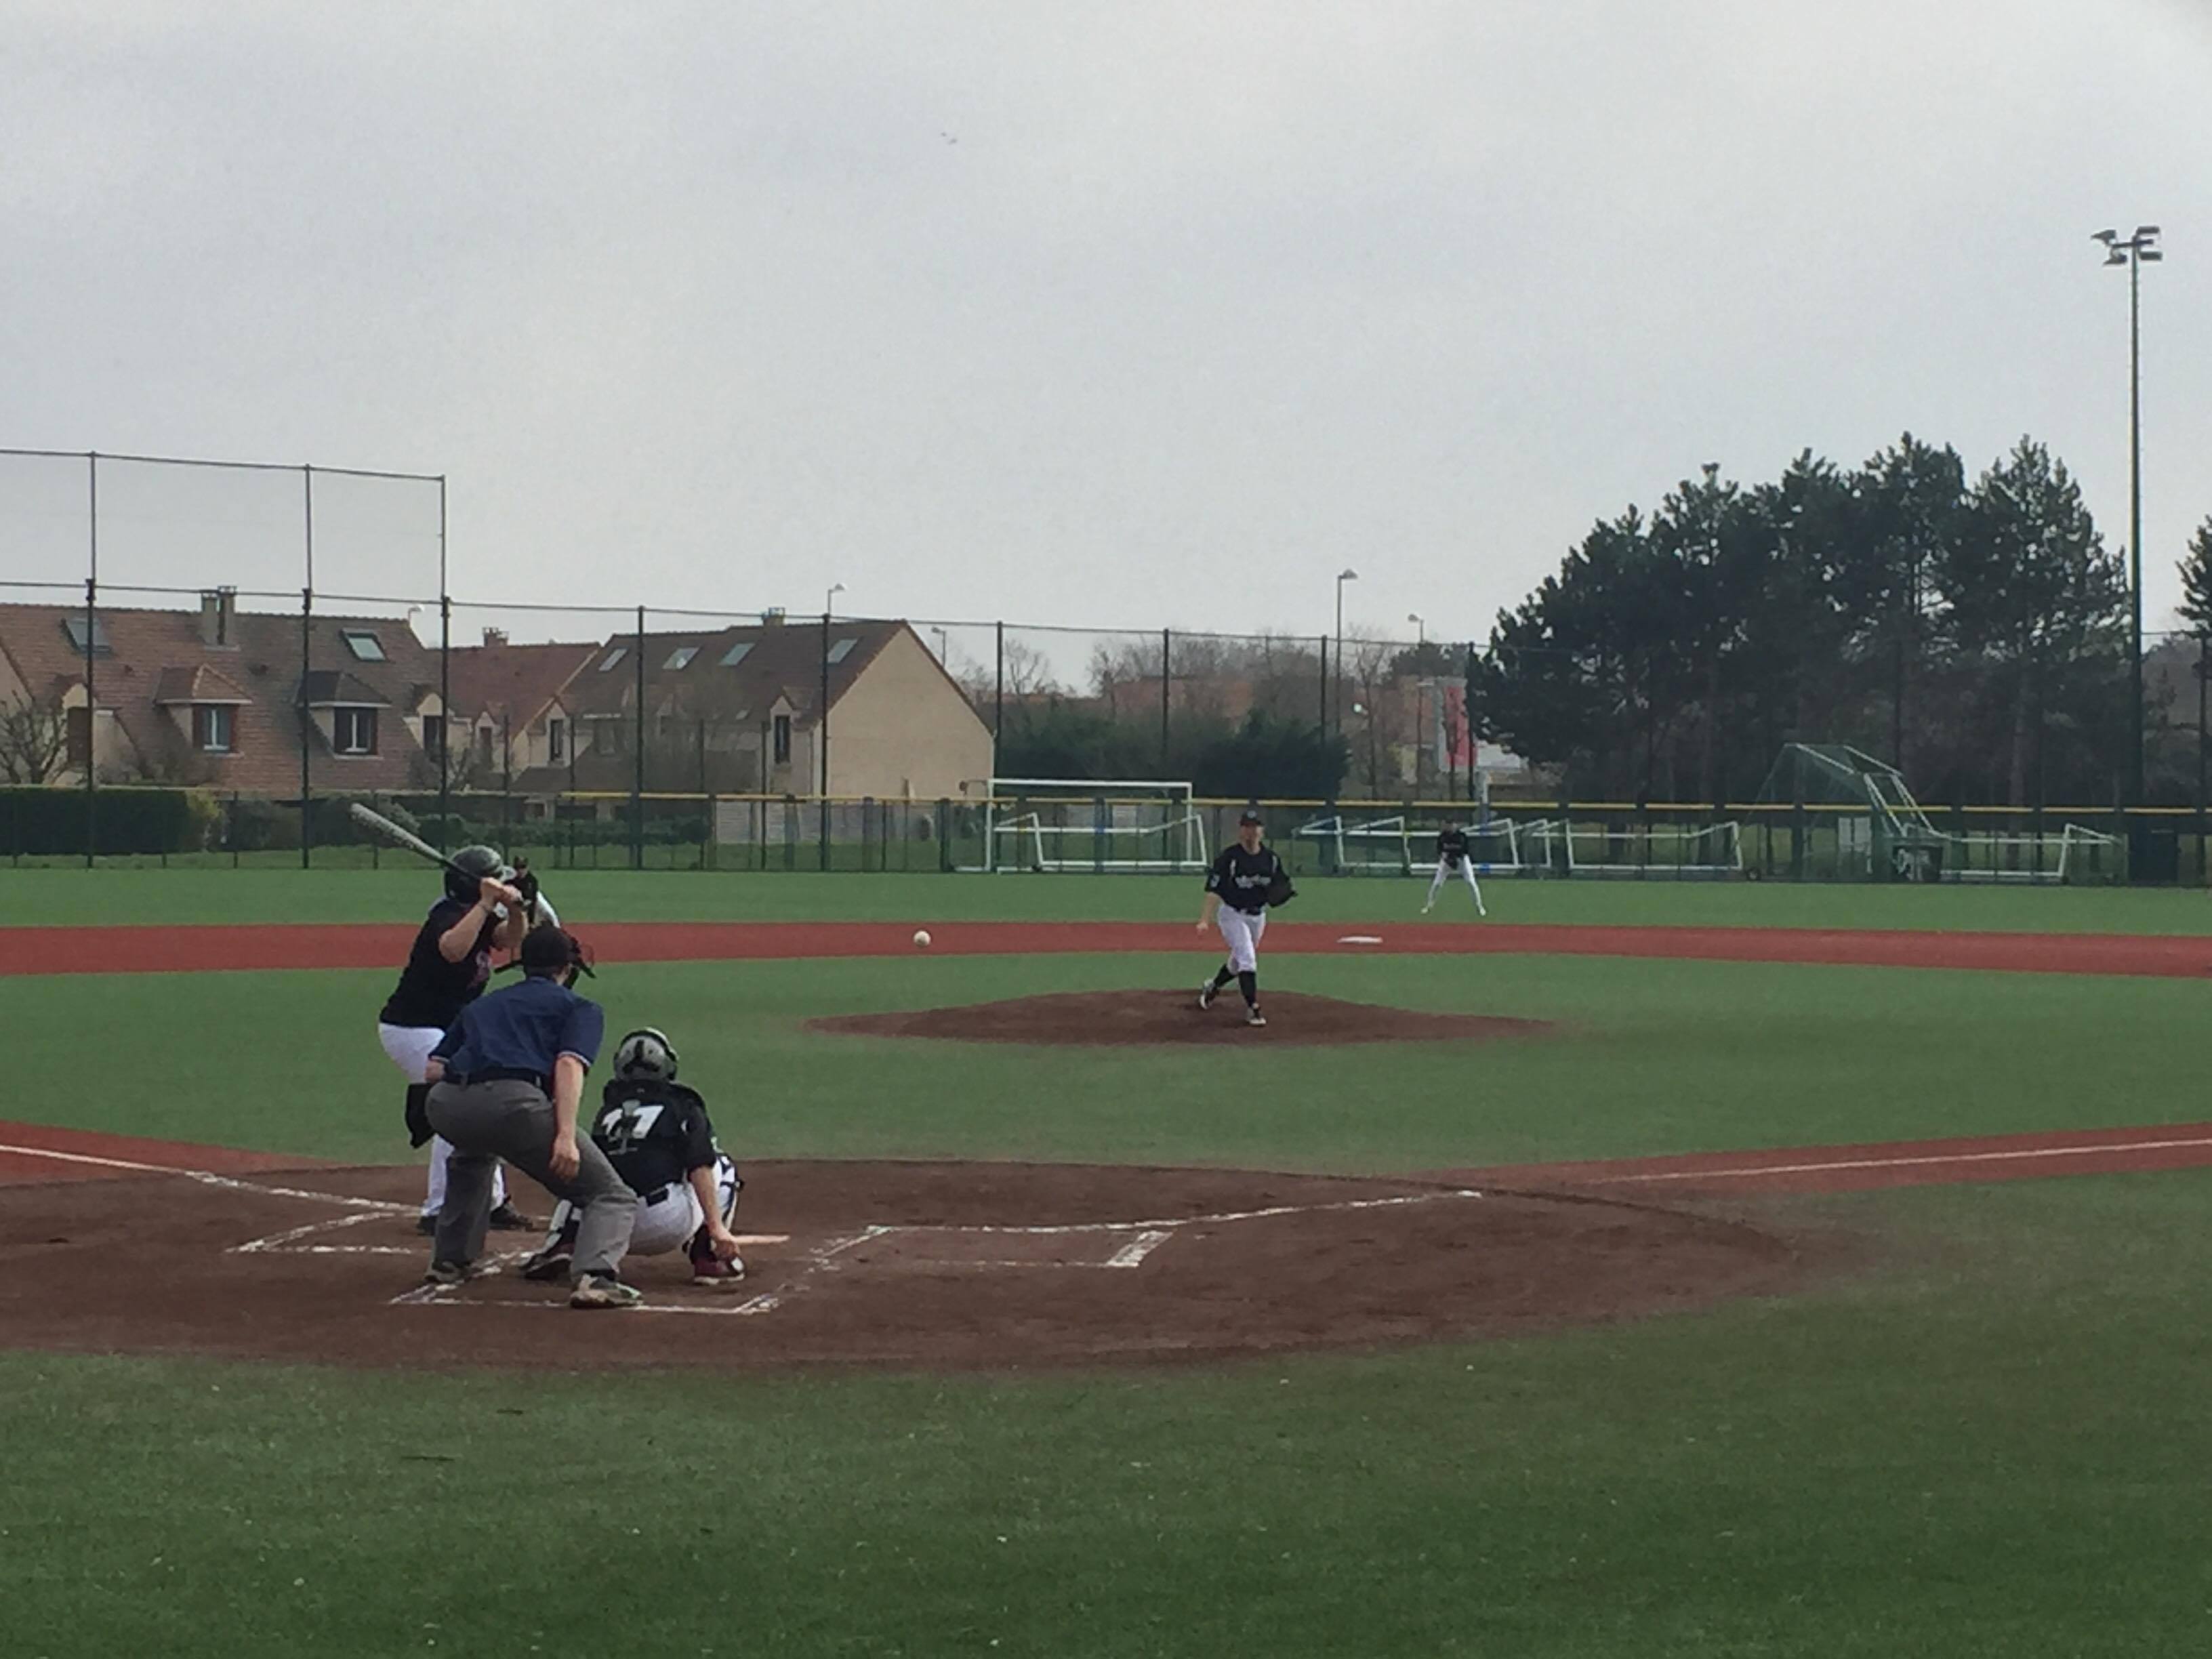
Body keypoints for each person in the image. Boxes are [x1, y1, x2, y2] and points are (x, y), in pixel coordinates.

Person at [421, 924, 641, 1309]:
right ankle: (596, 1277)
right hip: (515, 1105)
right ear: (567, 968)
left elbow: (433, 1070)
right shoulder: (579, 1008)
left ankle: (450, 1261)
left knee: (472, 1156)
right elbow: (570, 1065)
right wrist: (565, 1136)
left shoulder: (483, 1005)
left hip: (445, 1105)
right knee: (609, 1194)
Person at [376, 845, 534, 1235]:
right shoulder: (446, 916)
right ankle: (438, 1208)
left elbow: (513, 940)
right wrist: (485, 904)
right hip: (412, 1028)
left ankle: (494, 1201)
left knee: (484, 1096)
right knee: (458, 1103)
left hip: (450, 1031)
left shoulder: (479, 916)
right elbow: (453, 950)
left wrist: (515, 908)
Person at [520, 1026, 747, 1291]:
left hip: (605, 1227)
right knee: (719, 1162)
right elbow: (700, 1164)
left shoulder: (608, 1110)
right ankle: (709, 1257)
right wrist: (717, 1227)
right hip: (666, 1224)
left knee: (584, 1165)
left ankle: (564, 1241)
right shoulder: (683, 1104)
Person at [1196, 807, 1290, 1028]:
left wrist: (1282, 894)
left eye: (1255, 827)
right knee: (1248, 959)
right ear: (1241, 831)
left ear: (1262, 831)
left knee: (1239, 961)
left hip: (1258, 916)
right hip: (1232, 915)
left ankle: (1214, 985)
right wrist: (1204, 919)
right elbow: (1213, 891)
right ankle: (1253, 1008)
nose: (1252, 831)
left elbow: (1282, 885)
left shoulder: (1271, 860)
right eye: (1247, 827)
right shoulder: (1229, 858)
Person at [1421, 821, 1488, 917]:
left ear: (1455, 825)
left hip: (1462, 861)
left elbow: (1465, 851)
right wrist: (1446, 859)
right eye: (1448, 824)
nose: (1450, 826)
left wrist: (1455, 859)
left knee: (1471, 883)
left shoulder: (1461, 836)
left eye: (1452, 824)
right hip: (1447, 861)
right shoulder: (1443, 837)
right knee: (1436, 884)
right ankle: (1428, 906)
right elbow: (1440, 851)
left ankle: (1480, 906)